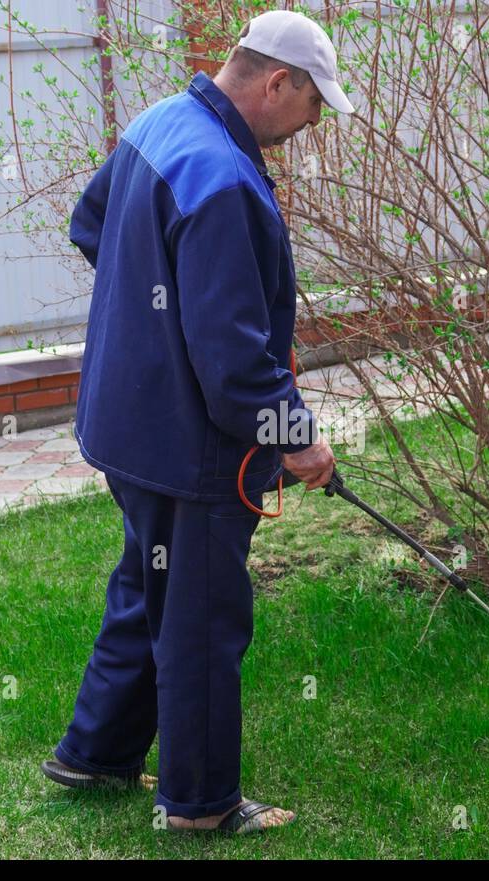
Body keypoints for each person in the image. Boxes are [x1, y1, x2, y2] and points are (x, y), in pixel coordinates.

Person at [42, 10, 356, 835]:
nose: (315, 121)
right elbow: (236, 365)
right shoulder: (221, 180)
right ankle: (201, 804)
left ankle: (96, 753)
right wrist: (299, 440)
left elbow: (91, 227)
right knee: (204, 621)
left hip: (125, 427)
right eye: (314, 102)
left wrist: (149, 321)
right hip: (190, 451)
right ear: (275, 82)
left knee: (148, 588)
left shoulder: (156, 124)